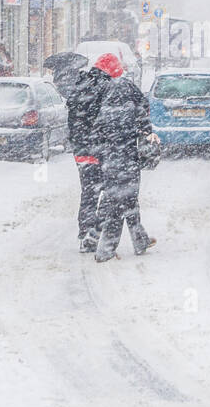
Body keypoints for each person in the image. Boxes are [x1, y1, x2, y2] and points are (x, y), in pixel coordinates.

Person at [92, 53, 158, 263]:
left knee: (126, 199)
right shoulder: (128, 93)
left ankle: (140, 240)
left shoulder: (102, 97)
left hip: (110, 159)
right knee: (120, 202)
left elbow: (95, 130)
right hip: (127, 157)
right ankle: (105, 250)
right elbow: (143, 116)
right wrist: (146, 137)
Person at [60, 61, 110, 253]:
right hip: (98, 149)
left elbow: (73, 122)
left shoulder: (78, 89)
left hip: (81, 151)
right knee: (108, 191)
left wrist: (80, 145)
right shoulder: (102, 91)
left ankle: (85, 233)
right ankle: (95, 232)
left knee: (89, 193)